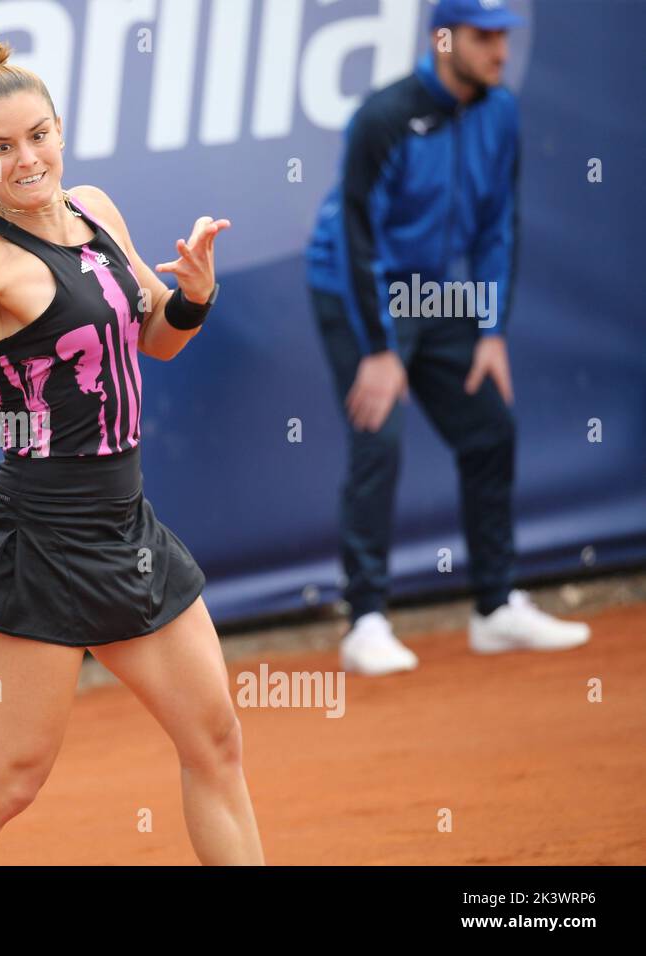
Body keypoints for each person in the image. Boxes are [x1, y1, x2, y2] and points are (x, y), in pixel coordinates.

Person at [0, 25, 264, 865]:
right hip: (37, 539)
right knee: (9, 781)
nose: (26, 159)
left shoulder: (97, 210)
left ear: (59, 129)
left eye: (38, 136)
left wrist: (194, 296)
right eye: (0, 147)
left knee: (217, 743)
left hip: (127, 526)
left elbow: (157, 336)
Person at [305, 0, 589, 676]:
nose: (499, 51)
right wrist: (378, 349)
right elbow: (356, 235)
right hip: (356, 286)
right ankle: (366, 620)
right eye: (484, 36)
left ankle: (495, 609)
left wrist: (491, 330)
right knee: (379, 437)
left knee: (490, 430)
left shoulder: (501, 112)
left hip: (437, 292)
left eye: (504, 36)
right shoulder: (383, 117)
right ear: (443, 38)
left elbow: (498, 225)